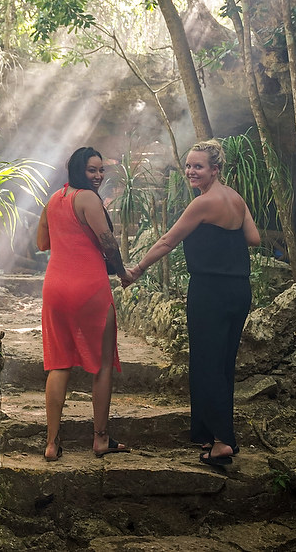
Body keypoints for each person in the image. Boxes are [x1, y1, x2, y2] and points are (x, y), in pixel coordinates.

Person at [123, 139, 259, 468]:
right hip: (239, 289)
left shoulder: (203, 203)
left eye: (198, 166)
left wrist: (137, 269)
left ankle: (222, 442)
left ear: (215, 169)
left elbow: (169, 240)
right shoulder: (236, 199)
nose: (190, 171)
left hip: (210, 290)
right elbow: (253, 239)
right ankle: (219, 437)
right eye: (188, 165)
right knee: (223, 364)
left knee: (206, 363)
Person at [36, 146, 133, 460]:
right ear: (78, 169)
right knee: (102, 364)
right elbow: (108, 242)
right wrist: (122, 273)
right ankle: (101, 438)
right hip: (89, 288)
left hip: (55, 288)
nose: (98, 175)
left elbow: (41, 242)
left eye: (101, 170)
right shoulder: (89, 199)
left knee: (58, 363)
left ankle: (52, 444)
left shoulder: (55, 199)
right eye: (92, 170)